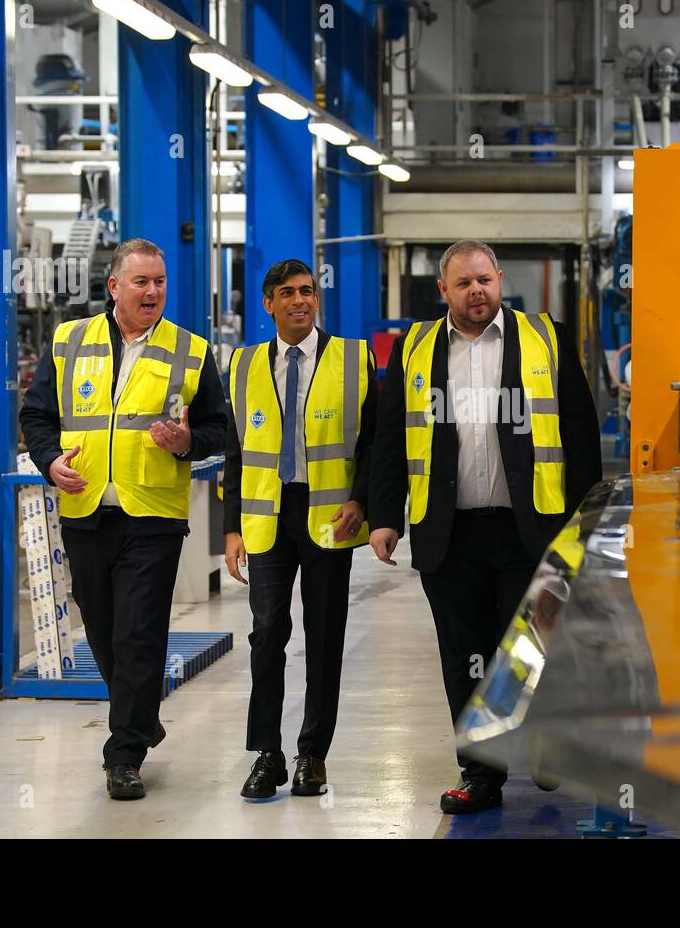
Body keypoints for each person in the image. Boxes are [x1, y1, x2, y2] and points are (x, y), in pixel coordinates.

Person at [369, 239, 601, 814]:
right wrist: (383, 517)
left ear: (500, 280)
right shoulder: (415, 348)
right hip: (448, 532)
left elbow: (580, 433)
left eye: (486, 280)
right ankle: (480, 772)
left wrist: (585, 520)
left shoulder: (545, 338)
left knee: (533, 648)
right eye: (465, 283)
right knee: (464, 655)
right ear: (443, 291)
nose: (478, 291)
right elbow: (389, 437)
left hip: (531, 528)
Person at [20, 238, 228, 801]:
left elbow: (218, 428)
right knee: (104, 629)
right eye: (141, 282)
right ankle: (139, 714)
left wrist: (188, 442)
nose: (153, 292)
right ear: (114, 287)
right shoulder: (69, 341)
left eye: (159, 282)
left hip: (153, 515)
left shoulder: (190, 350)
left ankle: (124, 753)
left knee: (139, 632)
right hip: (86, 511)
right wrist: (49, 460)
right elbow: (36, 415)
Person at [222, 259, 377, 802]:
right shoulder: (242, 365)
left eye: (307, 291)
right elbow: (235, 450)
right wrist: (230, 528)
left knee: (325, 634)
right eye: (287, 293)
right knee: (267, 635)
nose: (299, 301)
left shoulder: (354, 359)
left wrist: (363, 500)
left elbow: (374, 443)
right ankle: (268, 754)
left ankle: (313, 754)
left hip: (330, 515)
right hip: (266, 517)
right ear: (268, 303)